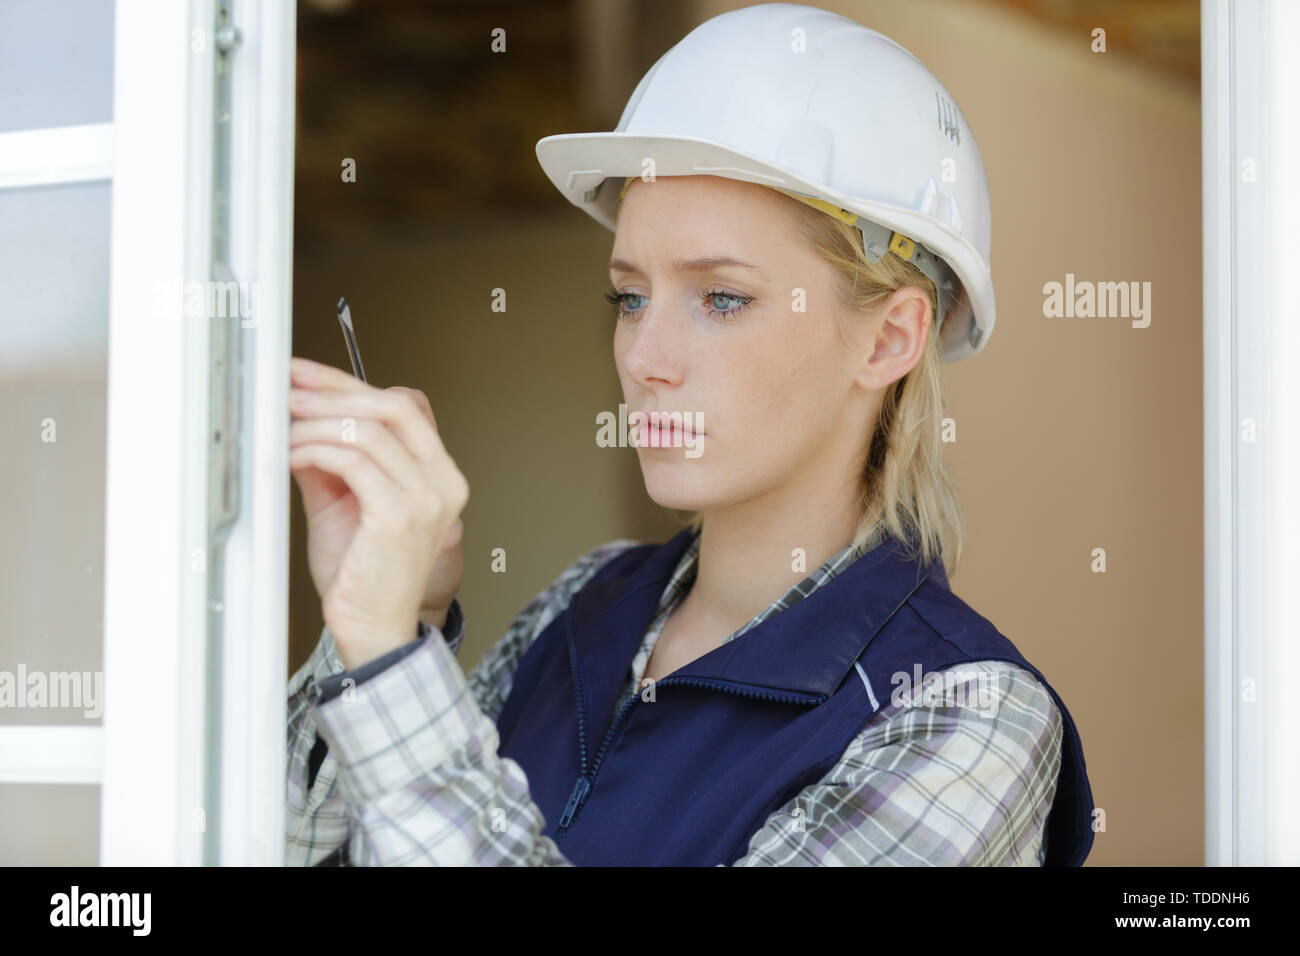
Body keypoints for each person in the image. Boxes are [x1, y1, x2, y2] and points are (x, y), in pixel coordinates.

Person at [285, 2, 1095, 866]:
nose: (644, 358)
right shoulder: (582, 605)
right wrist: (396, 620)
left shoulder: (963, 720)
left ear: (889, 337)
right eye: (630, 296)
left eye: (721, 298)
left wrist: (391, 675)